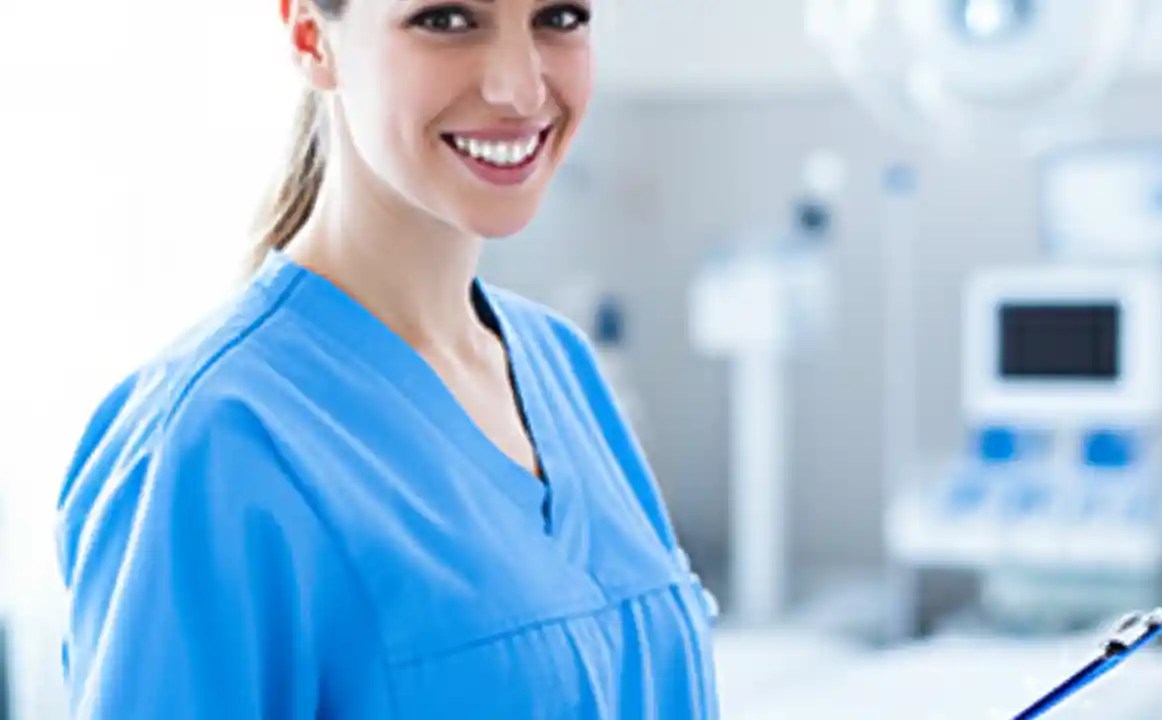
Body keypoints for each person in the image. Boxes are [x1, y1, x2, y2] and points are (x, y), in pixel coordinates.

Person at [55, 0, 719, 717]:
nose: (520, 89)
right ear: (310, 34)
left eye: (559, 17)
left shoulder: (563, 367)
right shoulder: (212, 440)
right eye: (447, 19)